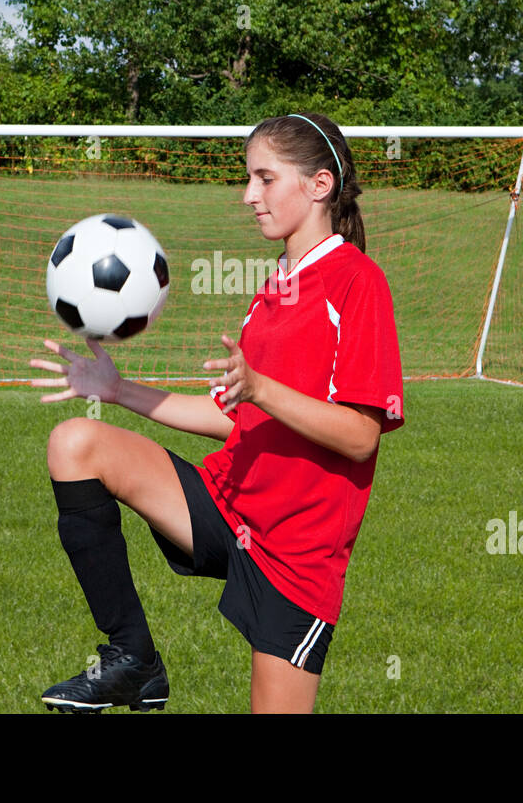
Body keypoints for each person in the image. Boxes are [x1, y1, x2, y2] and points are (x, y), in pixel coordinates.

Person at [29, 112, 405, 713]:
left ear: (320, 185)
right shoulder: (276, 286)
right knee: (76, 443)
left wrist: (261, 389)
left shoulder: (358, 283)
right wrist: (117, 387)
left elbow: (361, 437)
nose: (249, 196)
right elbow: (235, 418)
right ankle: (133, 658)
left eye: (265, 178)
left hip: (295, 554)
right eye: (247, 178)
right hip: (226, 505)